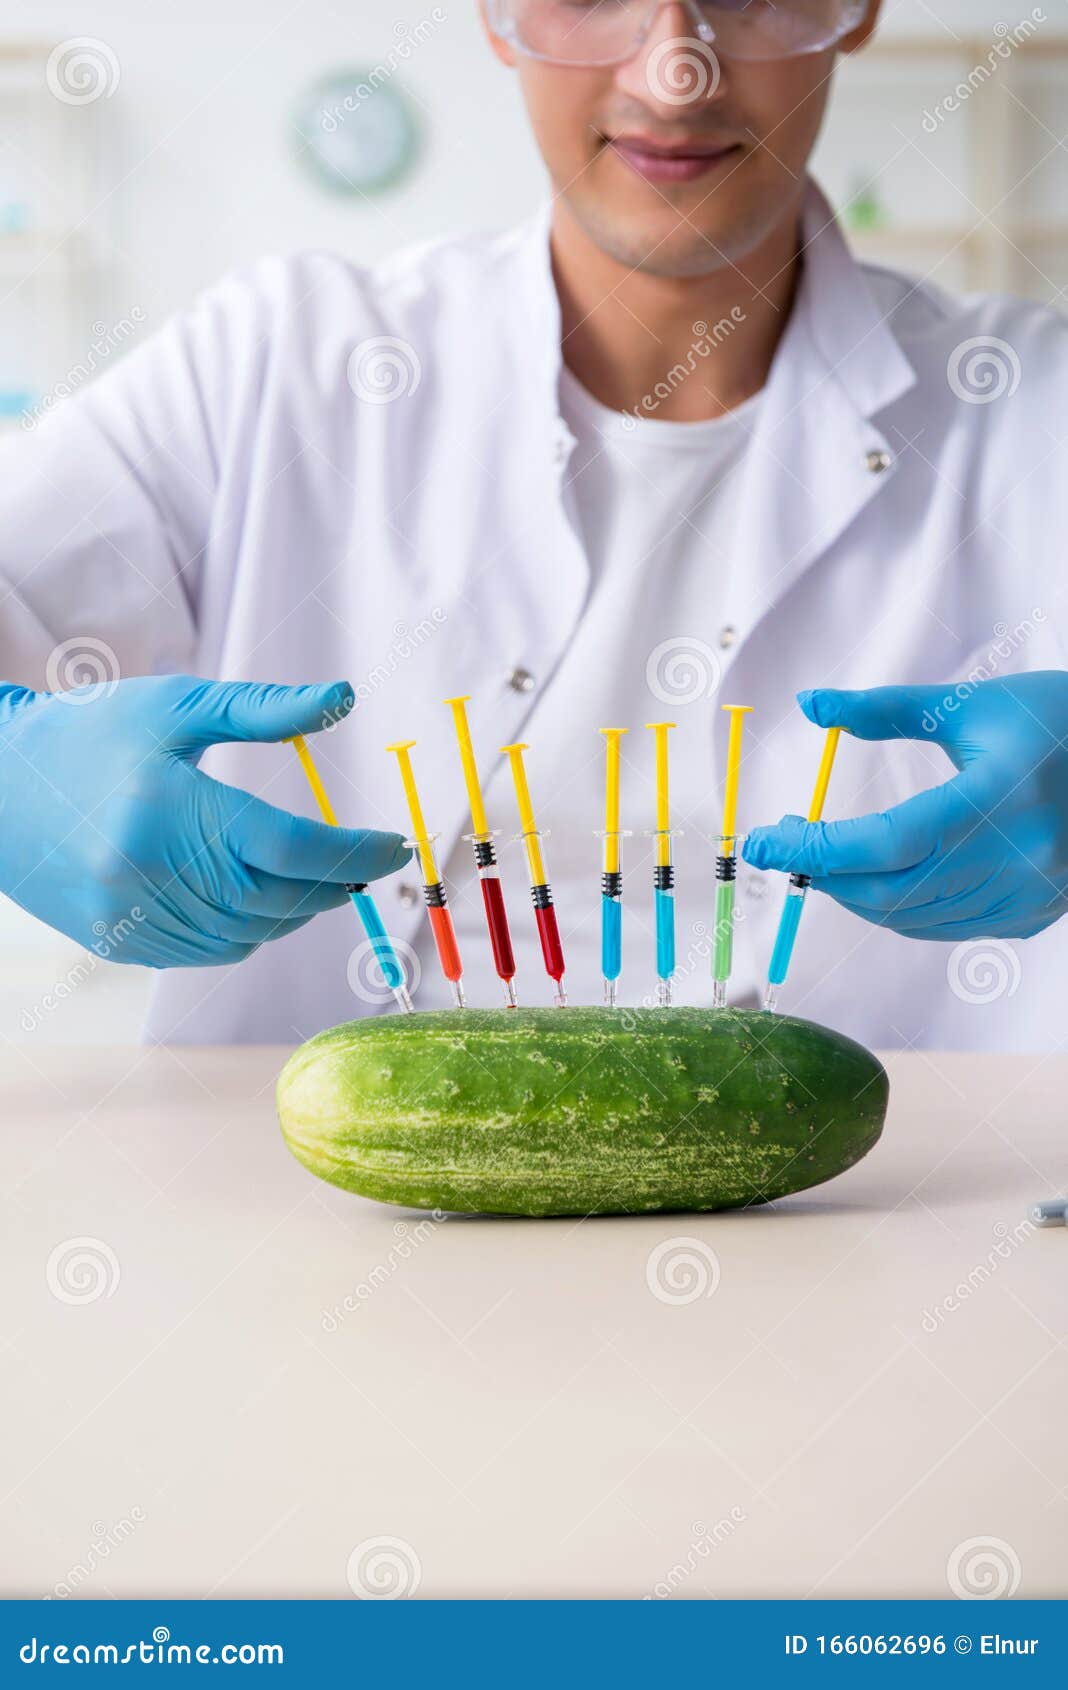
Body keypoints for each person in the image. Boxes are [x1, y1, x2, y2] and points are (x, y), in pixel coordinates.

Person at [1, 0, 1065, 1049]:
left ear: (855, 9)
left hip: (892, 1210)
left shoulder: (1032, 408)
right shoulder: (278, 363)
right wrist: (16, 775)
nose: (672, 74)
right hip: (296, 1207)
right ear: (496, 14)